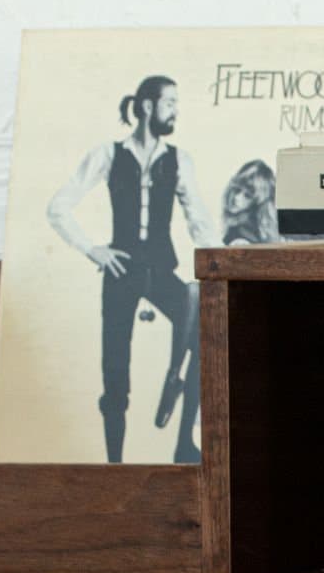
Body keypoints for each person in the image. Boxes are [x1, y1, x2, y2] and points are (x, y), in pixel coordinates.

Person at [46, 75, 221, 462]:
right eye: (170, 102)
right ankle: (115, 465)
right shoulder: (108, 154)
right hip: (121, 272)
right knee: (115, 373)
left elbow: (199, 221)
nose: (176, 110)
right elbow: (58, 207)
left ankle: (180, 428)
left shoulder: (178, 159)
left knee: (204, 329)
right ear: (147, 106)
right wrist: (92, 250)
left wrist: (226, 262)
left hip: (161, 269)